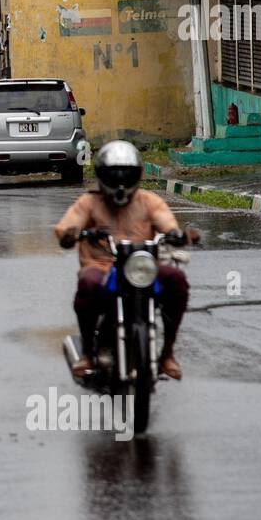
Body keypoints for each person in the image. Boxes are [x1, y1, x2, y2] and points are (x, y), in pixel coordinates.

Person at [53, 141, 195, 382]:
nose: (120, 181)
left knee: (177, 280)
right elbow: (67, 227)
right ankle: (88, 352)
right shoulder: (89, 202)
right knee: (87, 284)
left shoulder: (149, 201)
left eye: (126, 174)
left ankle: (167, 353)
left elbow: (167, 223)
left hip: (140, 268)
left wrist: (177, 234)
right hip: (102, 268)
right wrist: (73, 234)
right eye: (113, 174)